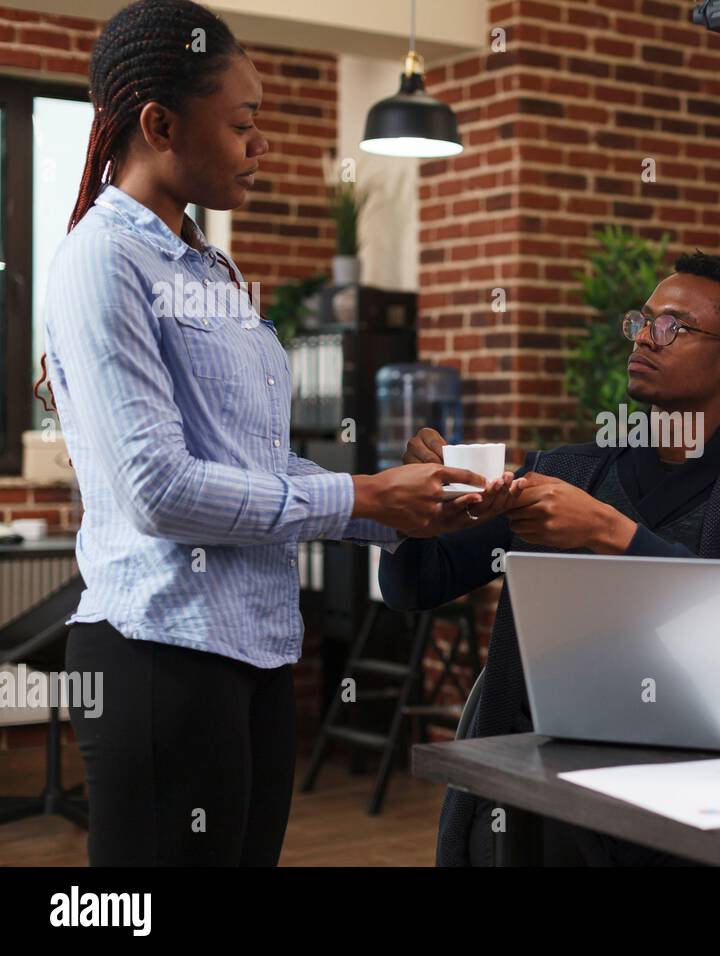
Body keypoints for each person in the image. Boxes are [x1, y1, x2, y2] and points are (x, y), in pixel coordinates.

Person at [39, 0, 506, 866]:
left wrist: (395, 509)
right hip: (159, 658)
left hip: (252, 657)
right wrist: (362, 494)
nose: (264, 146)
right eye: (244, 123)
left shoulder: (211, 266)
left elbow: (252, 466)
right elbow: (160, 492)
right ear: (160, 124)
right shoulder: (103, 262)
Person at [380, 251, 720, 865]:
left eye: (673, 326)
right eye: (643, 321)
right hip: (537, 801)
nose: (645, 337)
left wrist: (610, 533)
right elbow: (415, 587)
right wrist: (416, 515)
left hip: (699, 808)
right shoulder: (558, 474)